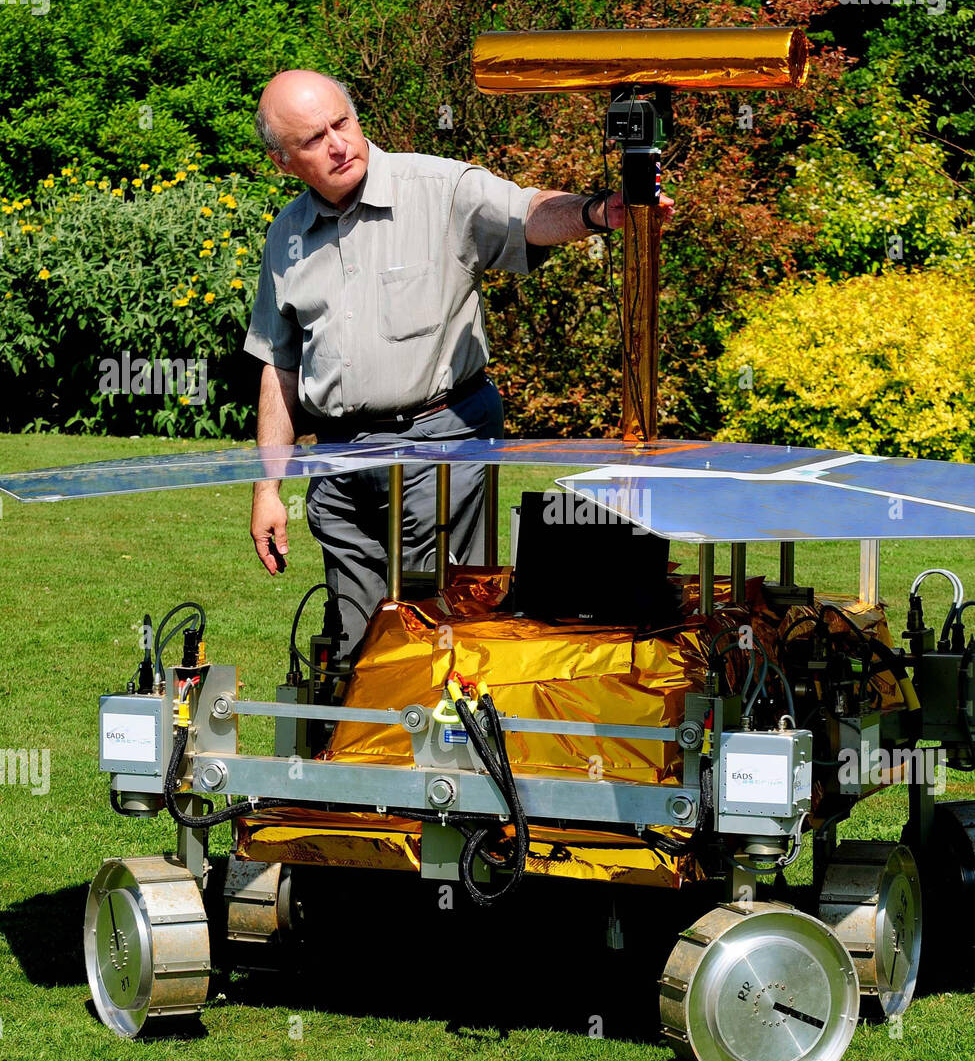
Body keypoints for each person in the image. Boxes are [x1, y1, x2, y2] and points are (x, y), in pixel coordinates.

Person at [245, 69, 673, 659]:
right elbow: (279, 368)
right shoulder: (286, 236)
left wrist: (600, 211)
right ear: (283, 162)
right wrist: (269, 487)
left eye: (341, 123)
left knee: (448, 629)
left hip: (441, 444)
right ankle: (362, 748)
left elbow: (529, 213)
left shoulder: (440, 189)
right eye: (314, 140)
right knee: (356, 643)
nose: (338, 144)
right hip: (340, 465)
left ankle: (455, 749)